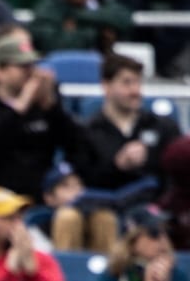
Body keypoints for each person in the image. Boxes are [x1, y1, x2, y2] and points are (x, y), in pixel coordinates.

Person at [0, 34, 79, 201]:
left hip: (38, 199)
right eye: (23, 66)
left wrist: (52, 108)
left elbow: (77, 148)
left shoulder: (43, 106)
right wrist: (17, 109)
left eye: (33, 65)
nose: (31, 72)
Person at [77, 54, 181, 209]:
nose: (135, 90)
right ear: (106, 86)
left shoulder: (163, 127)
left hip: (156, 211)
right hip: (105, 212)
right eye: (126, 83)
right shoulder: (87, 131)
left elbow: (177, 176)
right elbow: (83, 184)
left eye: (138, 82)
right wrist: (117, 165)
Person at [77, 204, 190, 281]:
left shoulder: (177, 276)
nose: (162, 239)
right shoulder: (113, 276)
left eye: (165, 232)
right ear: (132, 240)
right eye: (154, 233)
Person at [28, 160, 117, 254]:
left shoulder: (95, 219)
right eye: (65, 186)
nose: (75, 191)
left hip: (96, 264)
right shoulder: (39, 229)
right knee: (68, 216)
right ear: (49, 198)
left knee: (104, 216)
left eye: (78, 184)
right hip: (59, 265)